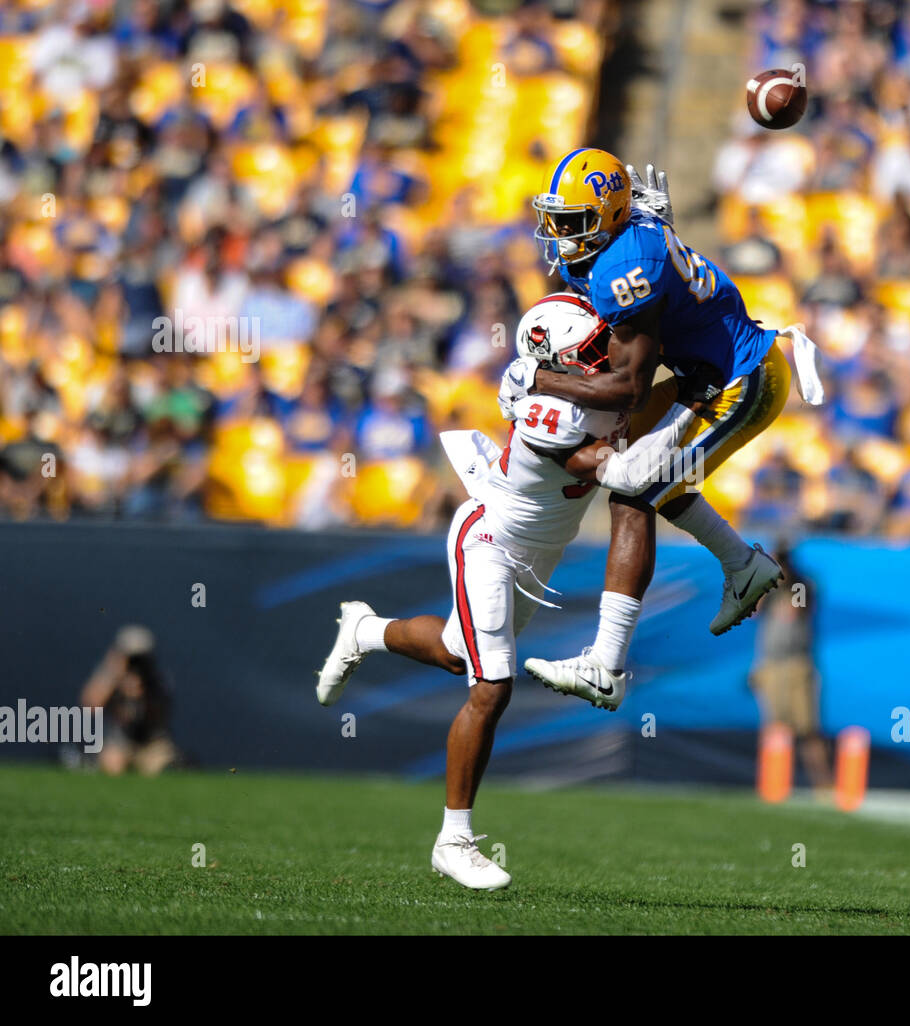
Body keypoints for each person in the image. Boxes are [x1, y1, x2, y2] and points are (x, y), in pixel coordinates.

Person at [314, 295, 744, 891]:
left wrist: (703, 381)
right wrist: (687, 414)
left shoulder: (591, 386)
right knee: (491, 685)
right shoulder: (549, 411)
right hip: (489, 537)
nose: (610, 356)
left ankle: (364, 630)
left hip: (539, 550)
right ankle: (454, 839)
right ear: (553, 361)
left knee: (453, 651)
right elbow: (622, 472)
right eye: (592, 351)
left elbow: (646, 393)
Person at [504, 149, 825, 694]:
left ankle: (605, 666)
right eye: (556, 218)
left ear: (608, 216)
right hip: (706, 373)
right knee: (636, 461)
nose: (559, 233)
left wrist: (538, 380)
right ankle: (742, 565)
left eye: (574, 221)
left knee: (634, 491)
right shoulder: (624, 238)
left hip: (738, 381)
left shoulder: (623, 267)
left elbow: (629, 388)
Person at [749, 543, 832, 793]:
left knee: (808, 729)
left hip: (797, 663)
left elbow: (796, 611)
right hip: (772, 663)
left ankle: (824, 785)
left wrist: (786, 581)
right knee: (773, 727)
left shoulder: (800, 585)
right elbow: (753, 611)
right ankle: (771, 784)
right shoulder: (767, 588)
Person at [79, 625, 177, 776]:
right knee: (111, 764)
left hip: (151, 743)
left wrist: (141, 694)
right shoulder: (112, 677)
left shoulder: (157, 681)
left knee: (161, 771)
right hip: (120, 740)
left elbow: (157, 716)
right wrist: (112, 674)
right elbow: (90, 705)